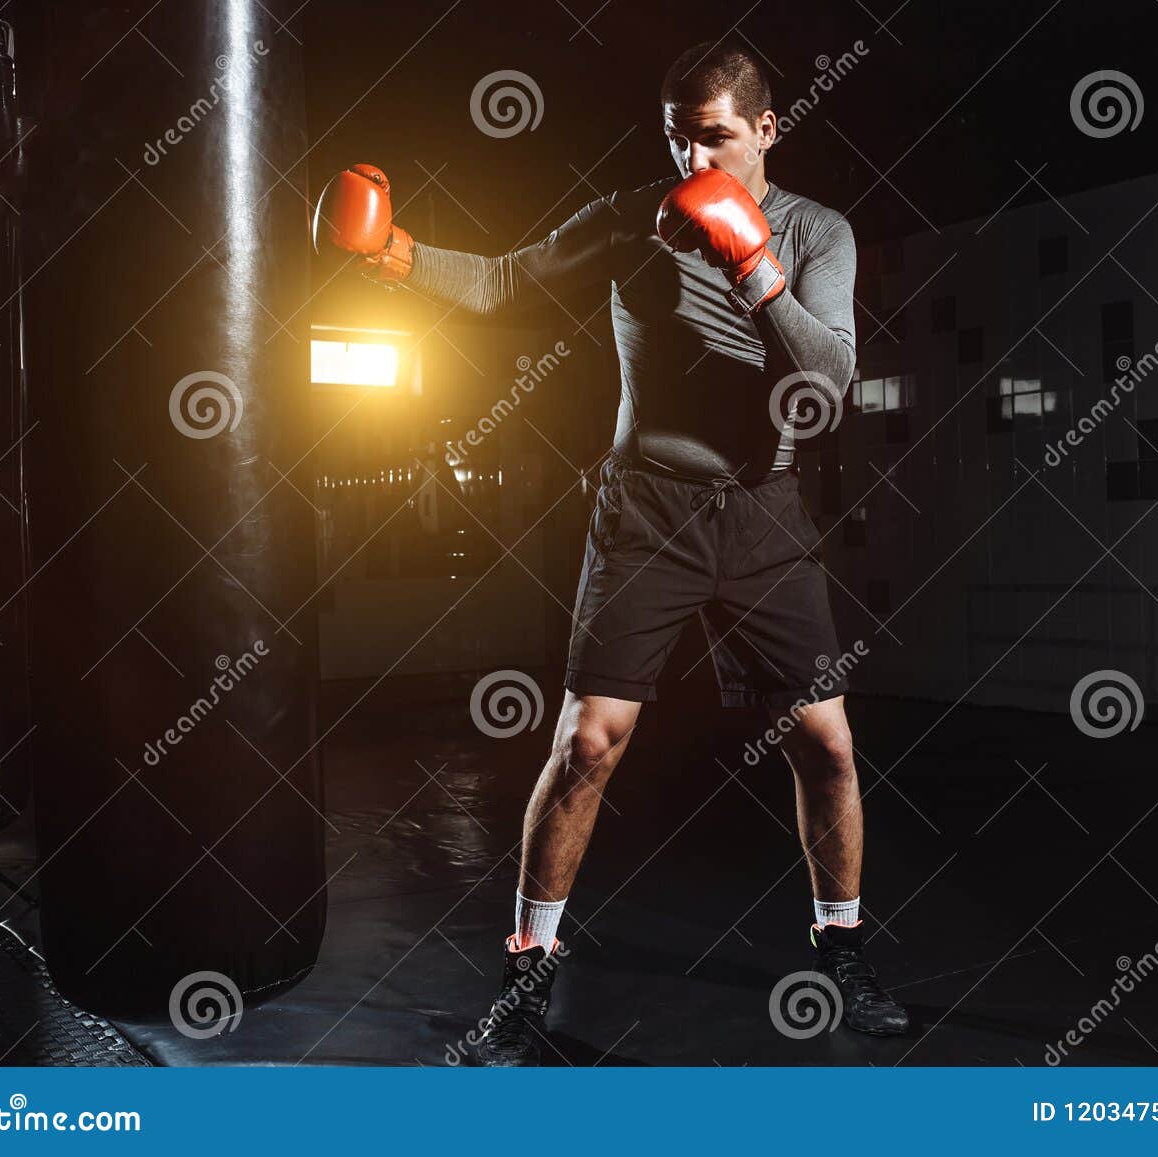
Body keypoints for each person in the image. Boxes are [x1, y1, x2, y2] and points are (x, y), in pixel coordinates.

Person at [314, 40, 910, 1065]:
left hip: (762, 513)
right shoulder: (632, 217)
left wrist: (754, 265)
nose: (693, 163)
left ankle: (844, 943)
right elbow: (504, 282)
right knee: (586, 744)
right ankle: (529, 961)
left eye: (715, 137)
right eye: (678, 138)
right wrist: (391, 255)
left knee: (828, 743)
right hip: (645, 512)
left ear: (767, 129)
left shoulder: (817, 232)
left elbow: (833, 381)